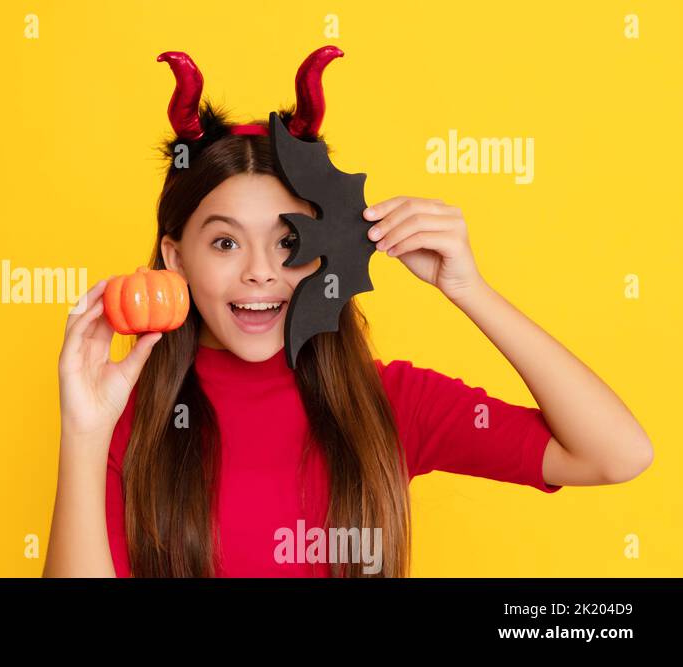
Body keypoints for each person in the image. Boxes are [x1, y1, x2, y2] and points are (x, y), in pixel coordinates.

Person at [43, 47, 653, 578]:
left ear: (324, 254)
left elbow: (616, 454)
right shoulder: (131, 419)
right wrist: (84, 430)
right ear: (175, 259)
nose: (260, 270)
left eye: (289, 242)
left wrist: (470, 290)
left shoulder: (387, 402)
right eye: (225, 243)